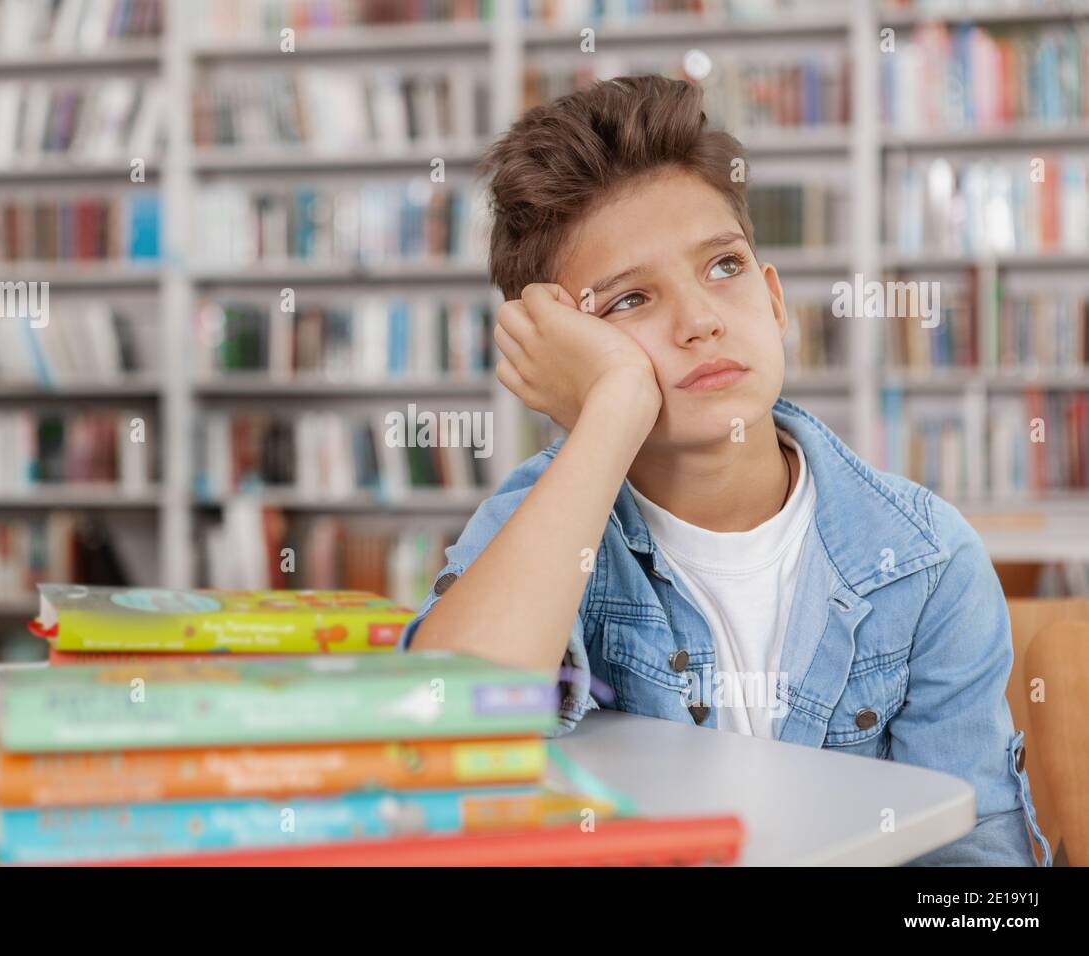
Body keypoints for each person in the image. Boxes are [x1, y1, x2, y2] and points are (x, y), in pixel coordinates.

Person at [399, 74, 1049, 867]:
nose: (701, 320)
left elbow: (976, 876)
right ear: (562, 353)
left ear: (775, 301)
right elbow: (447, 734)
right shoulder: (538, 529)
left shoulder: (926, 561)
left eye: (724, 267)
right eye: (629, 302)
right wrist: (609, 409)